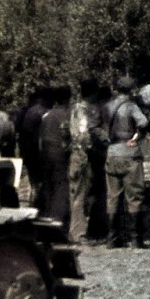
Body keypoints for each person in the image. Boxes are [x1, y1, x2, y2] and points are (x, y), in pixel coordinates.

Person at [101, 75, 150, 248]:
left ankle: (112, 239)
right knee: (135, 196)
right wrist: (136, 137)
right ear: (132, 90)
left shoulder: (107, 106)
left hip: (111, 153)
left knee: (112, 197)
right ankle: (136, 239)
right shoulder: (131, 106)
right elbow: (144, 122)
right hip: (129, 154)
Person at [67, 78, 108, 244]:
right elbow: (84, 135)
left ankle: (92, 229)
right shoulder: (83, 110)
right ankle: (79, 233)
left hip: (80, 154)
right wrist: (100, 145)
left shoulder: (77, 108)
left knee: (89, 193)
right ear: (93, 92)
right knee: (80, 194)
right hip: (84, 155)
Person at [36, 85, 72, 223]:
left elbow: (41, 138)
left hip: (46, 153)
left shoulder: (47, 115)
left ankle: (47, 215)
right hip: (60, 154)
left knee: (48, 186)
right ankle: (58, 219)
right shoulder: (67, 115)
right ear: (68, 98)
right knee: (61, 187)